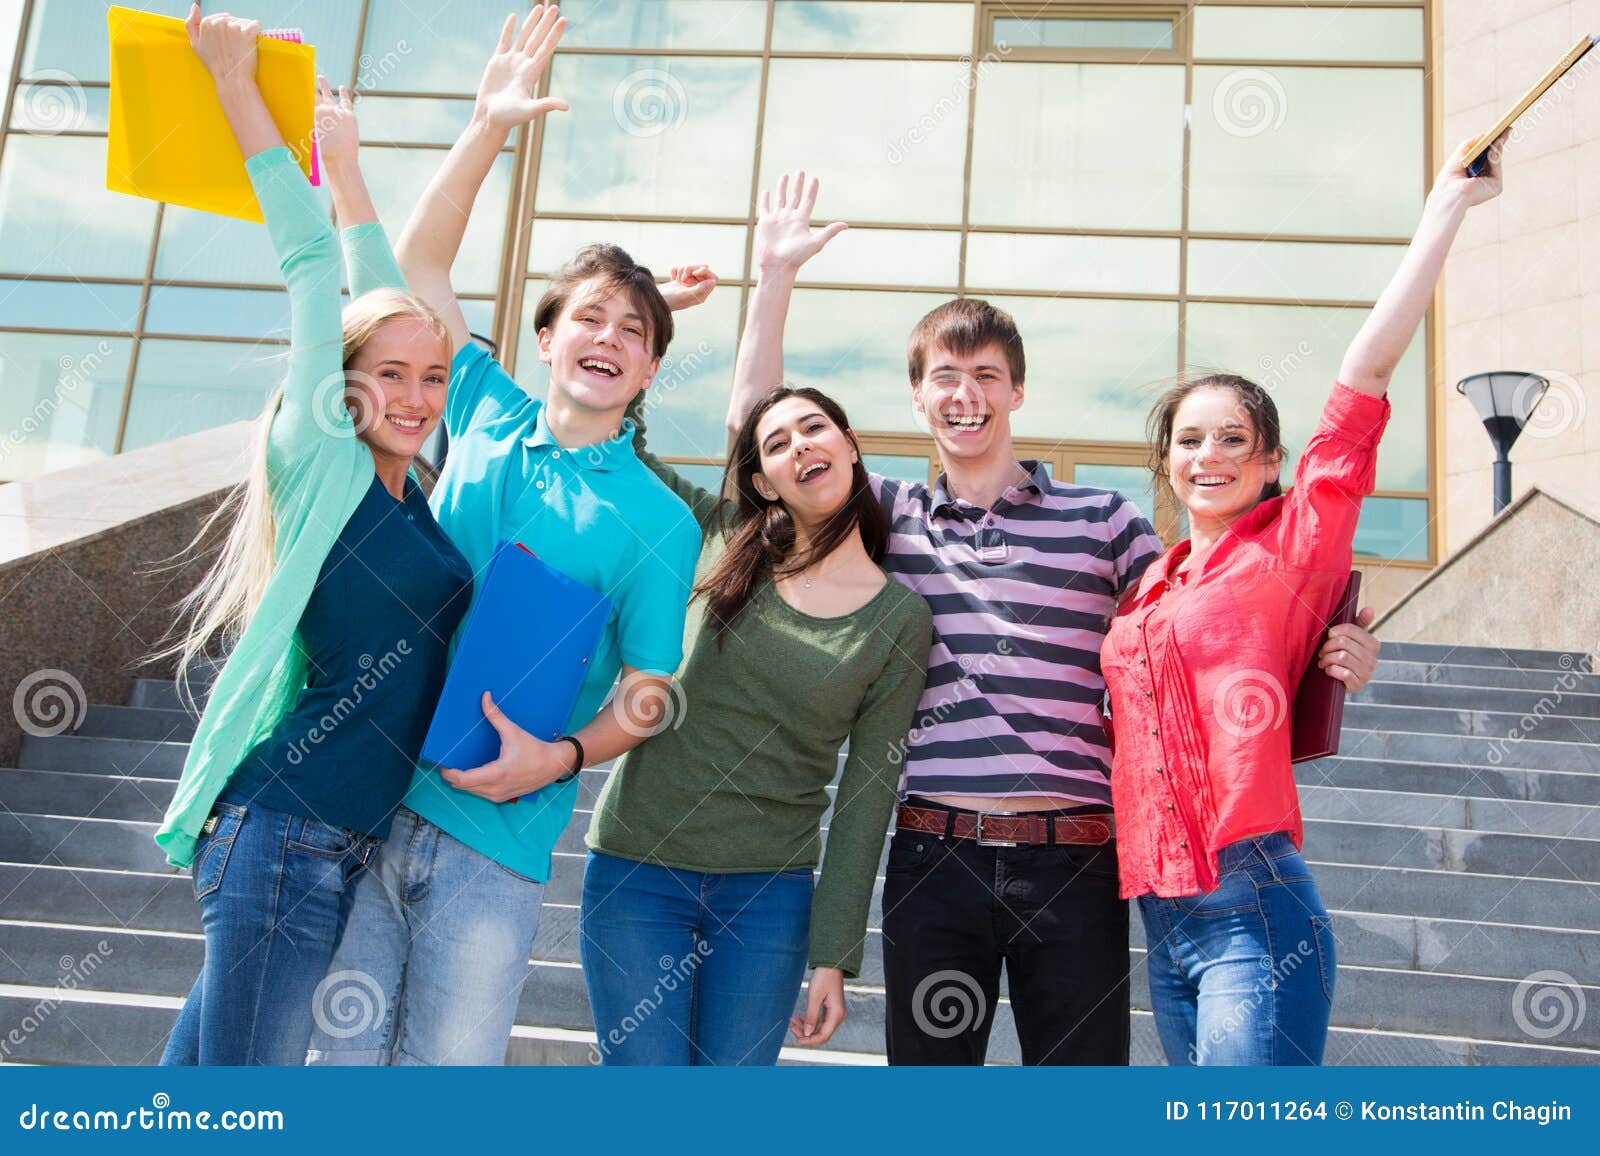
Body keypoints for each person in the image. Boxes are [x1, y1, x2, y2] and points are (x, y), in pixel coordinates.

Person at [721, 171, 1384, 1065]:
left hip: (1076, 862)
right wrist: (774, 281)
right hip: (935, 858)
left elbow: (1205, 622)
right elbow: (755, 436)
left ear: (1017, 393)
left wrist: (1324, 644)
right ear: (918, 398)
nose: (966, 395)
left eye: (986, 376)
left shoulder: (1105, 521)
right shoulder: (886, 519)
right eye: (944, 378)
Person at [304, 7, 704, 1065]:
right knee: (334, 1069)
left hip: (501, 839)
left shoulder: (660, 518)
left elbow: (652, 692)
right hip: (369, 795)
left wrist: (561, 756)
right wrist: (486, 128)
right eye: (591, 318)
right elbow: (410, 274)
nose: (610, 338)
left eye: (635, 331)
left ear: (653, 369)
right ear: (544, 336)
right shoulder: (478, 405)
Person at [1102, 132, 1508, 1067]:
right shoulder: (1148, 587)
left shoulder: (1293, 542)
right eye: (1190, 441)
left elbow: (1363, 381)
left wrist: (1443, 210)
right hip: (1158, 917)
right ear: (1168, 462)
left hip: (1254, 906)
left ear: (1272, 460)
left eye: (1233, 439)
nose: (1208, 457)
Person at [155, 9, 471, 1065]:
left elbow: (387, 298)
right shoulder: (322, 458)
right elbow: (310, 268)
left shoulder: (409, 494)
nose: (418, 395)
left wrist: (347, 167)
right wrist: (236, 82)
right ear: (341, 385)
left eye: (433, 377)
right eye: (391, 376)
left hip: (332, 845)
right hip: (282, 833)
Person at [580, 381, 932, 1065]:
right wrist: (654, 313)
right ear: (764, 484)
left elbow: (866, 800)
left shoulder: (899, 620)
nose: (800, 445)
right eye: (777, 443)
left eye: (815, 428)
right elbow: (621, 442)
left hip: (767, 897)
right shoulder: (722, 535)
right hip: (636, 869)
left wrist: (833, 956)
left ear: (851, 447)